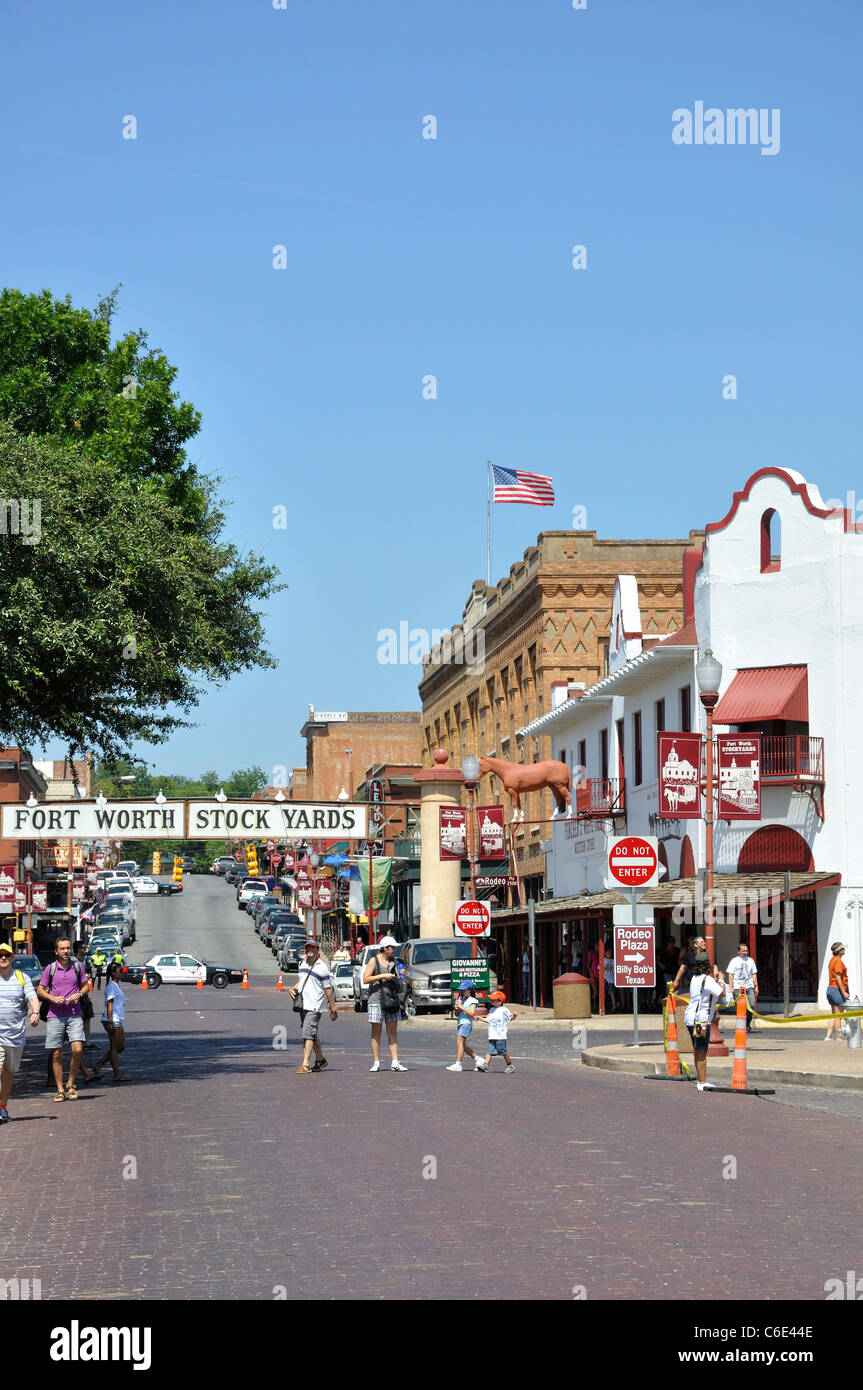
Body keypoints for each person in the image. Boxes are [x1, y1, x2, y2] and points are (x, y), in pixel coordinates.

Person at [37, 937, 93, 1102]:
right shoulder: (50, 969)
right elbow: (40, 990)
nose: (66, 951)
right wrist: (53, 998)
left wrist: (80, 993)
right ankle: (60, 1089)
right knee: (56, 1053)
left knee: (77, 1050)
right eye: (62, 948)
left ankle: (71, 1083)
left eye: (68, 948)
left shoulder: (77, 966)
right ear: (56, 951)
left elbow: (86, 985)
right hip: (55, 1016)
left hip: (75, 1013)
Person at [0, 941, 41, 1123]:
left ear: (12, 958)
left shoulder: (22, 977)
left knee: (9, 1073)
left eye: (6, 955)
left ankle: (3, 1107)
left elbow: (33, 998)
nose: (2, 958)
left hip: (15, 1035)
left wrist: (35, 1013)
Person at [289, 940, 338, 1075]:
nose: (309, 950)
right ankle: (320, 1059)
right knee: (311, 1034)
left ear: (317, 950)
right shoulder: (303, 963)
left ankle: (305, 1064)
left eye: (312, 947)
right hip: (303, 1005)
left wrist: (332, 1008)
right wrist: (293, 988)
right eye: (307, 947)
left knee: (307, 1035)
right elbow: (303, 980)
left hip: (314, 1006)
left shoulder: (321, 967)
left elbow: (327, 989)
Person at [363, 935, 407, 1072]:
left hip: (391, 999)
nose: (394, 950)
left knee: (392, 1031)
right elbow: (365, 979)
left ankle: (395, 1062)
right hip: (376, 999)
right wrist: (383, 975)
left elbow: (399, 980)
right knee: (376, 1032)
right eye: (392, 947)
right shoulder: (373, 960)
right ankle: (376, 1062)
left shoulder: (394, 961)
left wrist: (401, 974)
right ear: (384, 948)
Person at [683, 952, 725, 1091]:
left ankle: (701, 1080)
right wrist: (721, 980)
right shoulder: (707, 980)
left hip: (690, 1018)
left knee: (697, 1049)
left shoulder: (694, 978)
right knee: (701, 1050)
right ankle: (702, 1081)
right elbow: (722, 993)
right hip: (700, 1020)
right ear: (708, 966)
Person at [92, 962, 128, 1082]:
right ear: (113, 973)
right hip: (112, 1020)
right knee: (114, 1047)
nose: (122, 973)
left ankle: (98, 1065)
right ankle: (117, 1074)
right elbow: (109, 1004)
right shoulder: (112, 986)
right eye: (120, 971)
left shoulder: (115, 985)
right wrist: (111, 1021)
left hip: (117, 1019)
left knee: (120, 1047)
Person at [475, 990, 517, 1073]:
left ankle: (510, 1065)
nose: (491, 1000)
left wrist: (514, 1016)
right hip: (492, 1035)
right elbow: (488, 1020)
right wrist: (480, 1018)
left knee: (502, 1051)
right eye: (491, 999)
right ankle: (485, 1066)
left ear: (500, 1001)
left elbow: (510, 1018)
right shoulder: (491, 1010)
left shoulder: (504, 1010)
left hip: (500, 1036)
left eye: (493, 999)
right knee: (490, 1051)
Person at [447, 981, 485, 1071]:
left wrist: (462, 1007)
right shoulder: (462, 1000)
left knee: (459, 1042)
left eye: (464, 990)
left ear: (470, 990)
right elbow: (457, 1014)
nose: (462, 992)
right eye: (461, 990)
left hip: (466, 1023)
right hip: (460, 1023)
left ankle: (458, 1064)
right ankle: (478, 1059)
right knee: (462, 1045)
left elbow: (472, 1014)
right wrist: (456, 1008)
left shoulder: (473, 1001)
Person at [725, 941, 759, 1032]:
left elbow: (754, 973)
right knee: (740, 1007)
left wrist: (756, 986)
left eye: (746, 951)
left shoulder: (750, 960)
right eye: (743, 951)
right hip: (738, 987)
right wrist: (731, 987)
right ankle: (741, 1026)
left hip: (749, 986)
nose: (745, 952)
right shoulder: (734, 961)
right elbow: (730, 975)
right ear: (739, 951)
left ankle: (747, 1024)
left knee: (751, 1005)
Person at [825, 942, 850, 1042]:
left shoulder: (832, 960)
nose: (844, 950)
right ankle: (838, 1038)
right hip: (836, 990)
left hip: (831, 989)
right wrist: (844, 992)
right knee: (838, 1016)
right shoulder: (838, 961)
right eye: (843, 948)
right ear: (840, 951)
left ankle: (828, 1037)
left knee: (834, 1014)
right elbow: (838, 978)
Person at [73, 941, 96, 1049]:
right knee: (80, 1019)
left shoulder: (80, 962)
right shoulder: (75, 963)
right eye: (83, 948)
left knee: (86, 1017)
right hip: (78, 995)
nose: (85, 949)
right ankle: (80, 1042)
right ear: (78, 950)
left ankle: (85, 1042)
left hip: (82, 995)